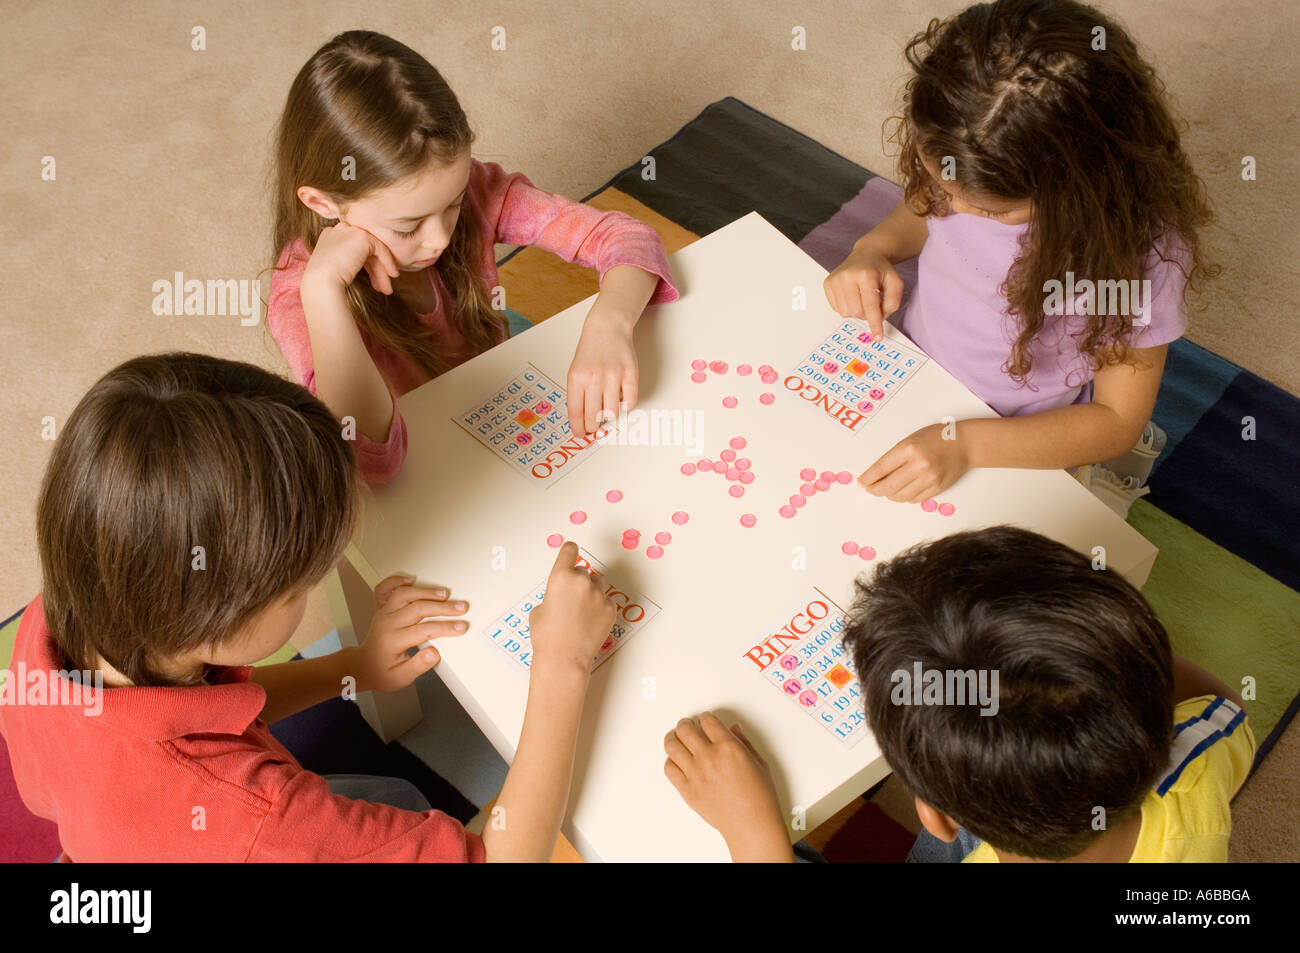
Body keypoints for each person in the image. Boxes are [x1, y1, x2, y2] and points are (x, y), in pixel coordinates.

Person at [0, 352, 615, 861]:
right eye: (304, 586)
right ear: (218, 623)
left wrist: (352, 669)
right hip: (225, 837)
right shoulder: (263, 819)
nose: (317, 586)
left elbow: (207, 706)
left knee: (387, 792)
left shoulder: (65, 614)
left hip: (106, 841)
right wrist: (561, 663)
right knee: (402, 800)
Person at [823, 0, 1217, 512]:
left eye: (987, 210)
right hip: (911, 375)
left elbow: (1117, 421)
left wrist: (965, 444)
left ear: (1079, 189)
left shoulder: (1140, 258)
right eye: (940, 184)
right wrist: (872, 248)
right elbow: (923, 211)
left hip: (1016, 437)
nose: (950, 206)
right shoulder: (966, 163)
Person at [668, 526, 1253, 862]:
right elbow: (1222, 702)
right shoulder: (1200, 764)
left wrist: (753, 835)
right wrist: (1090, 656)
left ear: (938, 818)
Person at [266, 30, 678, 485]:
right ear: (325, 205)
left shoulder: (473, 188)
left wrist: (610, 324)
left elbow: (626, 236)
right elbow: (373, 464)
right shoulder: (298, 296)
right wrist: (322, 291)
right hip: (432, 466)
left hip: (493, 383)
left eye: (454, 203)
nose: (440, 238)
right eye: (408, 227)